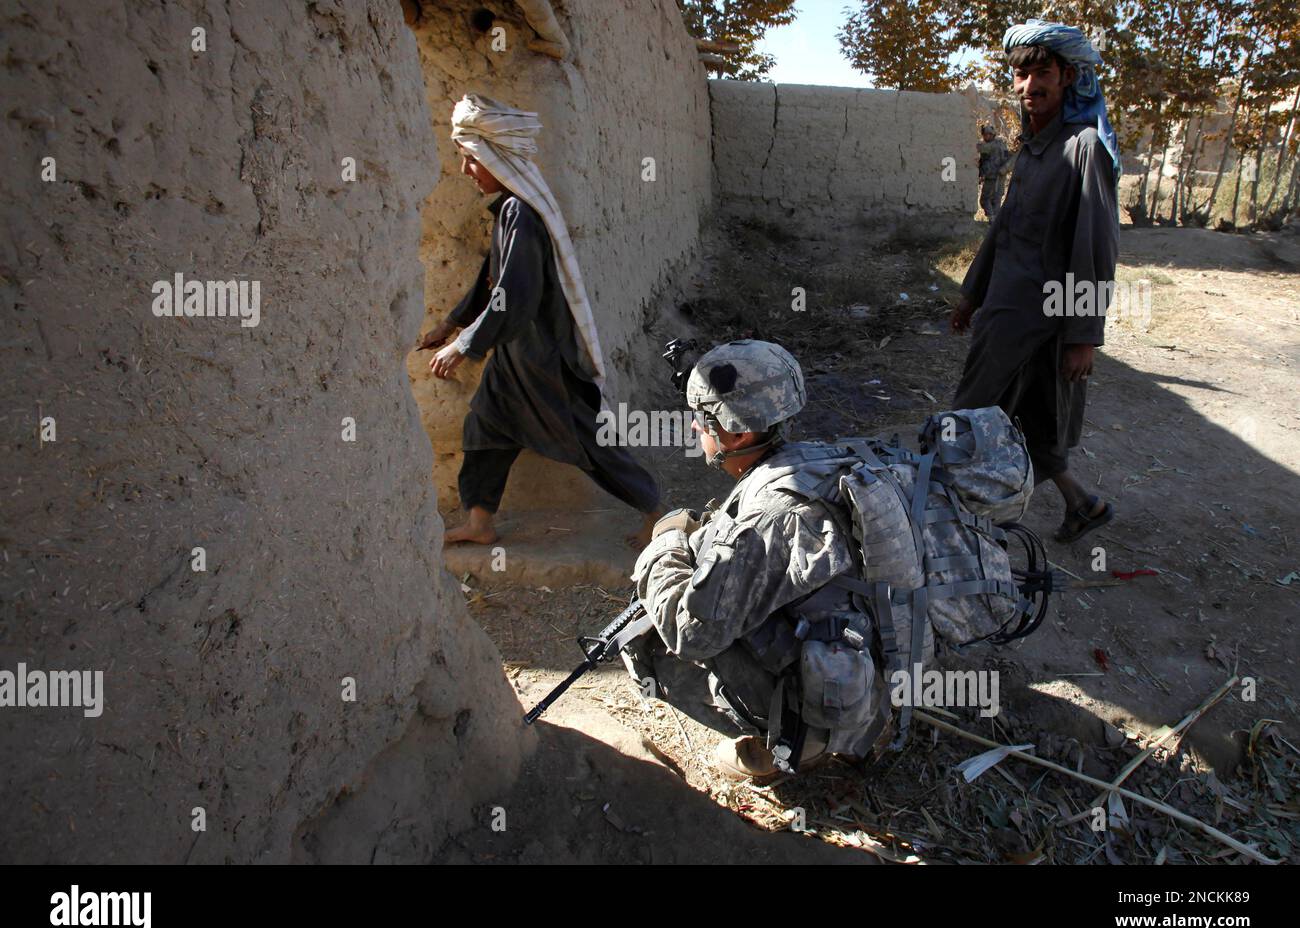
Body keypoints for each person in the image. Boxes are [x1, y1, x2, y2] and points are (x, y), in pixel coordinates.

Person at [628, 341, 899, 783]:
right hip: (880, 661)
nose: (695, 431)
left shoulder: (769, 517)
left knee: (649, 639)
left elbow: (688, 631)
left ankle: (789, 749)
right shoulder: (826, 460)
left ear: (736, 435)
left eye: (700, 421)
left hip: (840, 689)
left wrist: (666, 543)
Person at [419, 94, 662, 547]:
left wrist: (466, 345)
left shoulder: (521, 215)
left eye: (470, 160)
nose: (465, 170)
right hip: (515, 353)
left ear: (496, 158)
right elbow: (491, 278)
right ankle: (479, 521)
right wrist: (451, 324)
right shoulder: (509, 212)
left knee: (584, 438)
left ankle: (656, 514)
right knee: (485, 426)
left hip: (541, 355)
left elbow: (514, 297)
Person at [950, 20, 1120, 544]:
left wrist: (1084, 336)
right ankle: (1083, 505)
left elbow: (1094, 245)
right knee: (1031, 419)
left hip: (1048, 320)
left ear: (1068, 76)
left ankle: (961, 526)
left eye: (1041, 73)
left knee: (968, 418)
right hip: (1006, 312)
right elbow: (1003, 229)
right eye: (1021, 76)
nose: (1029, 87)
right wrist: (971, 292)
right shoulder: (1031, 150)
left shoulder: (1084, 148)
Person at [977, 124, 1011, 219]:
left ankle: (992, 219)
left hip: (993, 177)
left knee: (985, 199)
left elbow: (978, 149)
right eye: (985, 134)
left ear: (993, 135)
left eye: (989, 134)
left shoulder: (990, 146)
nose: (987, 136)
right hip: (1000, 176)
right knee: (996, 201)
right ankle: (995, 223)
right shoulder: (1002, 143)